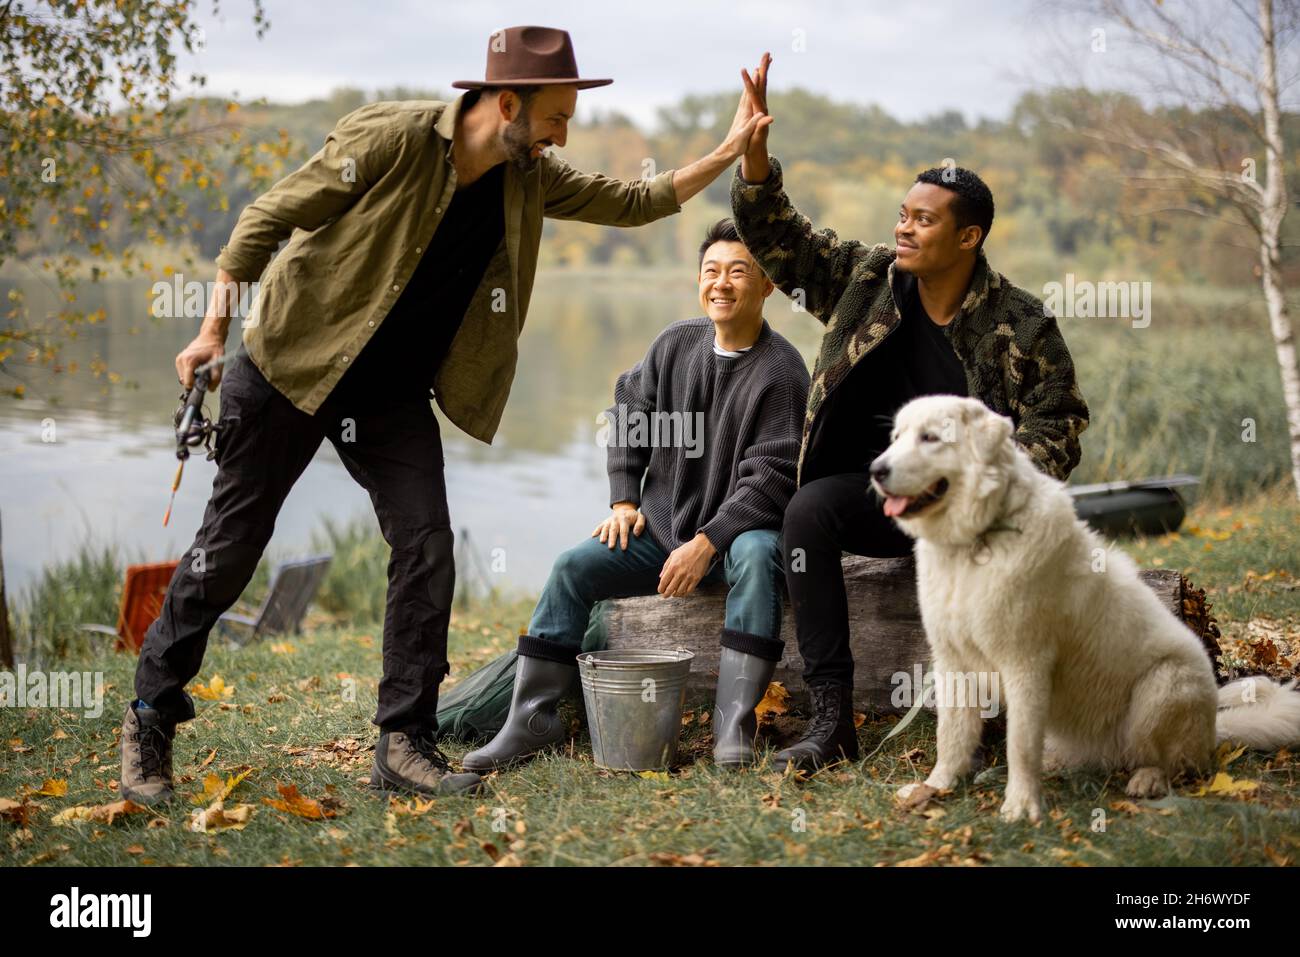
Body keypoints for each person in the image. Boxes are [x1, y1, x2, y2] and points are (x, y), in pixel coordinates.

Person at [120, 26, 776, 804]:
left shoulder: (526, 176)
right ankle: (150, 716)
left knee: (427, 545)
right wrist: (211, 329)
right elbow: (268, 216)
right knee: (228, 549)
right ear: (506, 103)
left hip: (388, 395)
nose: (563, 134)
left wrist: (733, 147)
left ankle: (403, 740)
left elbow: (635, 200)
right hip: (292, 365)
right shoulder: (392, 136)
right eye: (556, 117)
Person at [729, 53, 1091, 771]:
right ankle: (831, 722)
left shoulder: (1021, 324)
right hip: (886, 494)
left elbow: (1060, 422)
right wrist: (756, 158)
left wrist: (990, 485)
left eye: (923, 221)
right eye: (902, 215)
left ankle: (991, 727)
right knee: (806, 513)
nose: (904, 229)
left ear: (968, 237)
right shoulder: (868, 281)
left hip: (976, 516)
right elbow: (783, 241)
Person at [463, 219, 810, 772]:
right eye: (710, 271)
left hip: (737, 535)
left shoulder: (783, 370)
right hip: (663, 529)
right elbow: (628, 412)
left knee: (758, 551)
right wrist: (624, 499)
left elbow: (772, 475)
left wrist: (708, 541)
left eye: (738, 272)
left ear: (767, 285)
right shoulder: (676, 344)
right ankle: (534, 720)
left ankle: (732, 726)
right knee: (574, 565)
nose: (721, 283)